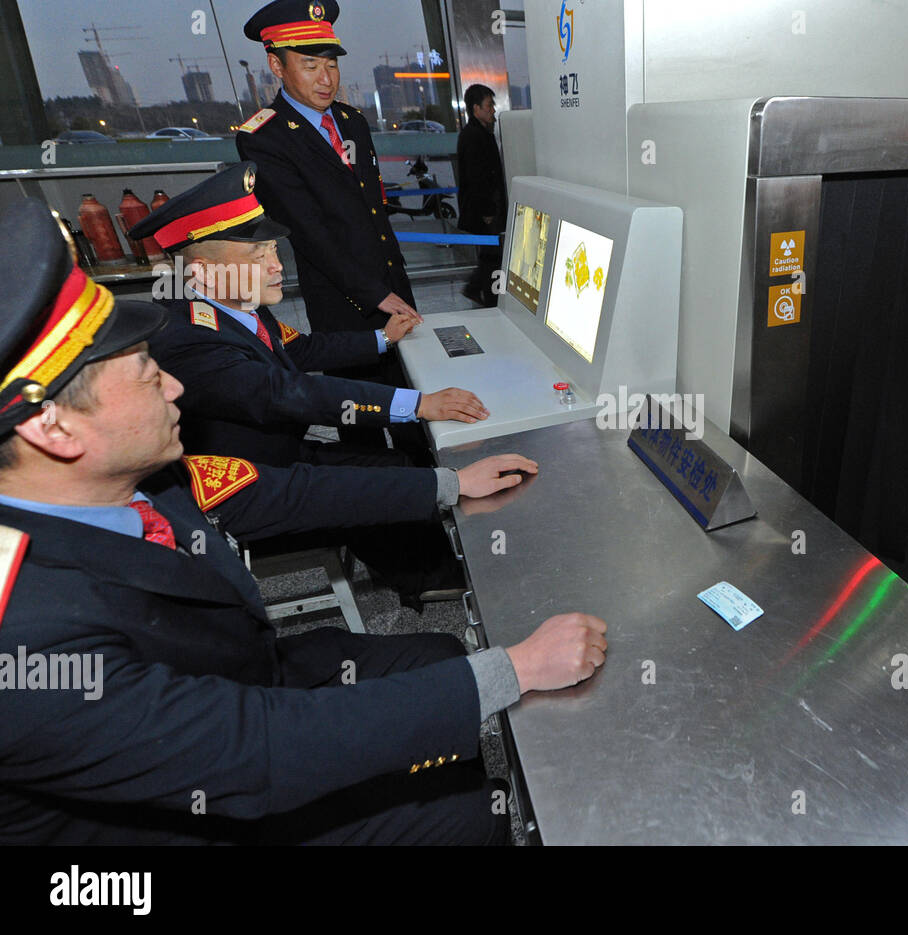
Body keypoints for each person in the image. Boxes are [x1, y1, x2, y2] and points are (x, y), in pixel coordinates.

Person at [0, 197, 608, 844]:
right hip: (213, 795)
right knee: (475, 815)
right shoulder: (30, 641)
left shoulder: (135, 474)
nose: (174, 387)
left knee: (442, 654)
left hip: (248, 674)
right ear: (54, 427)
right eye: (151, 377)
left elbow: (289, 492)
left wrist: (450, 483)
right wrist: (516, 669)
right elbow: (259, 748)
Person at [133, 161, 488, 469]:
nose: (277, 268)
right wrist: (419, 404)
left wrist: (384, 337)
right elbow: (286, 391)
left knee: (411, 464)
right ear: (203, 273)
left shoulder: (233, 302)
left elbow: (298, 349)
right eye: (258, 257)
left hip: (283, 452)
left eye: (274, 250)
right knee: (415, 478)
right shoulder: (187, 339)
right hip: (262, 481)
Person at [235, 0, 423, 457]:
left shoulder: (352, 120)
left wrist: (391, 283)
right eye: (310, 65)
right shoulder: (265, 138)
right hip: (341, 299)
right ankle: (375, 508)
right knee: (359, 412)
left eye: (332, 65)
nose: (326, 78)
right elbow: (308, 230)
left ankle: (428, 488)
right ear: (277, 67)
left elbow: (372, 211)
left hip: (390, 282)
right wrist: (372, 293)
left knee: (412, 401)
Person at [456, 83, 507, 307]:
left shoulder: (477, 133)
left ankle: (478, 290)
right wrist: (488, 212)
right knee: (492, 257)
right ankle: (490, 298)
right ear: (476, 108)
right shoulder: (474, 136)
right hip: (486, 211)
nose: (493, 110)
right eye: (489, 106)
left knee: (490, 256)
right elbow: (478, 178)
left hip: (487, 208)